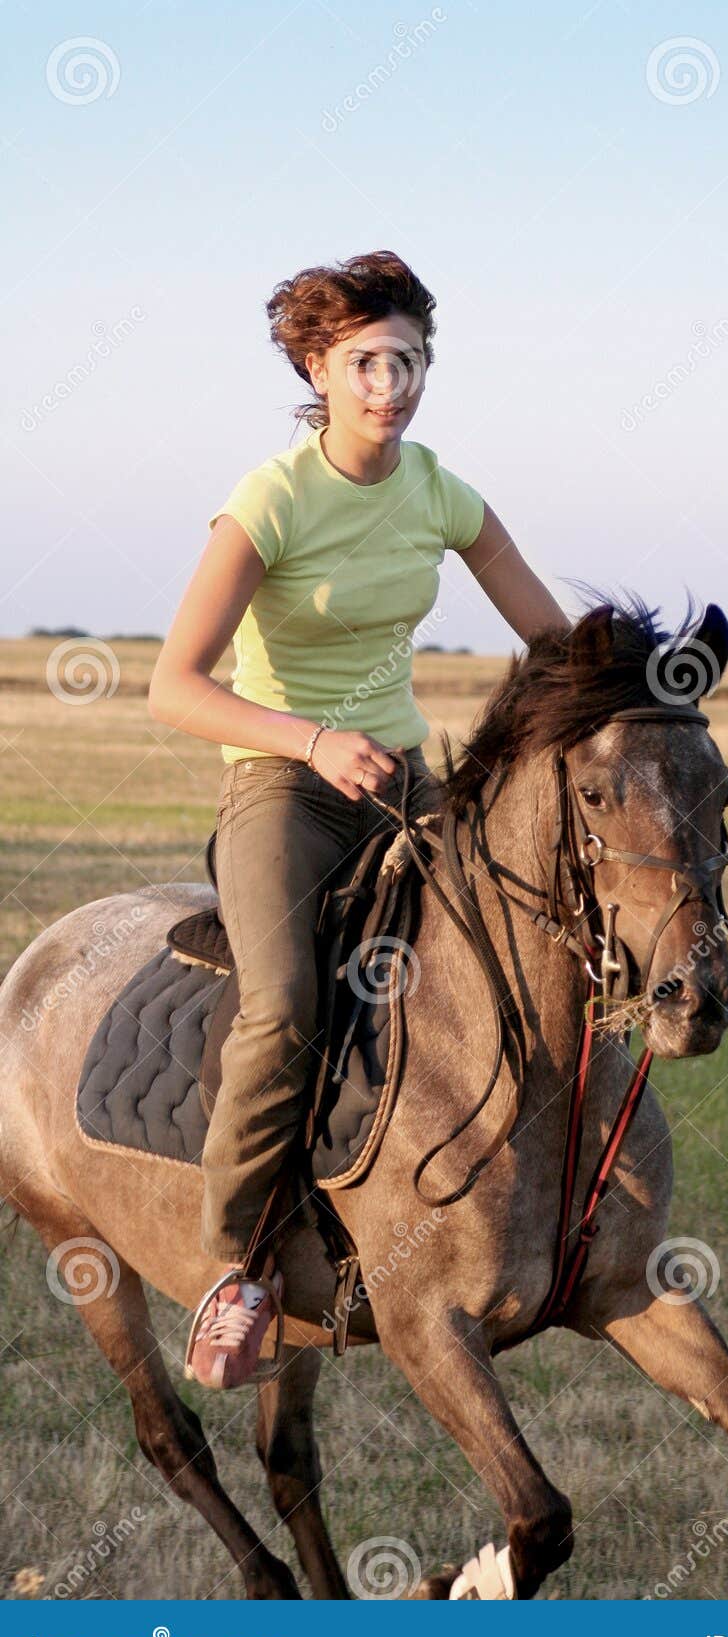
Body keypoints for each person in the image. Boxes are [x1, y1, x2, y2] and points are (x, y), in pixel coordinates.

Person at [148, 251, 570, 1387]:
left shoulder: (436, 487)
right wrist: (311, 739)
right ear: (317, 368)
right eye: (367, 362)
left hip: (403, 784)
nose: (392, 383)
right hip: (283, 785)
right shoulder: (270, 500)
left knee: (533, 952)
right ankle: (233, 1272)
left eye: (410, 360)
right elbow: (173, 684)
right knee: (286, 1007)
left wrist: (627, 690)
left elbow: (549, 638)